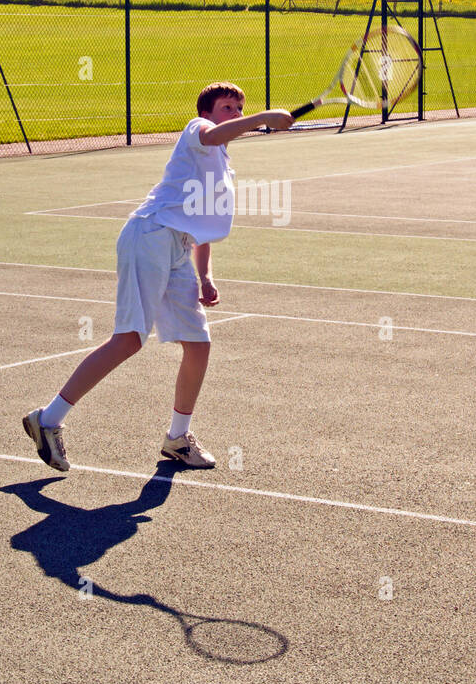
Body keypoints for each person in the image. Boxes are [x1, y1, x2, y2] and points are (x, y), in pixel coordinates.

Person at [23, 82, 293, 472]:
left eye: (239, 107)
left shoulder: (222, 166)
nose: (234, 113)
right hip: (149, 235)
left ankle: (178, 438)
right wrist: (264, 118)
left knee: (198, 344)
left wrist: (205, 276)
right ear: (208, 112)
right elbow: (214, 133)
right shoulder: (196, 132)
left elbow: (199, 226)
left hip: (178, 248)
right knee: (129, 340)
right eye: (227, 107)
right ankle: (47, 420)